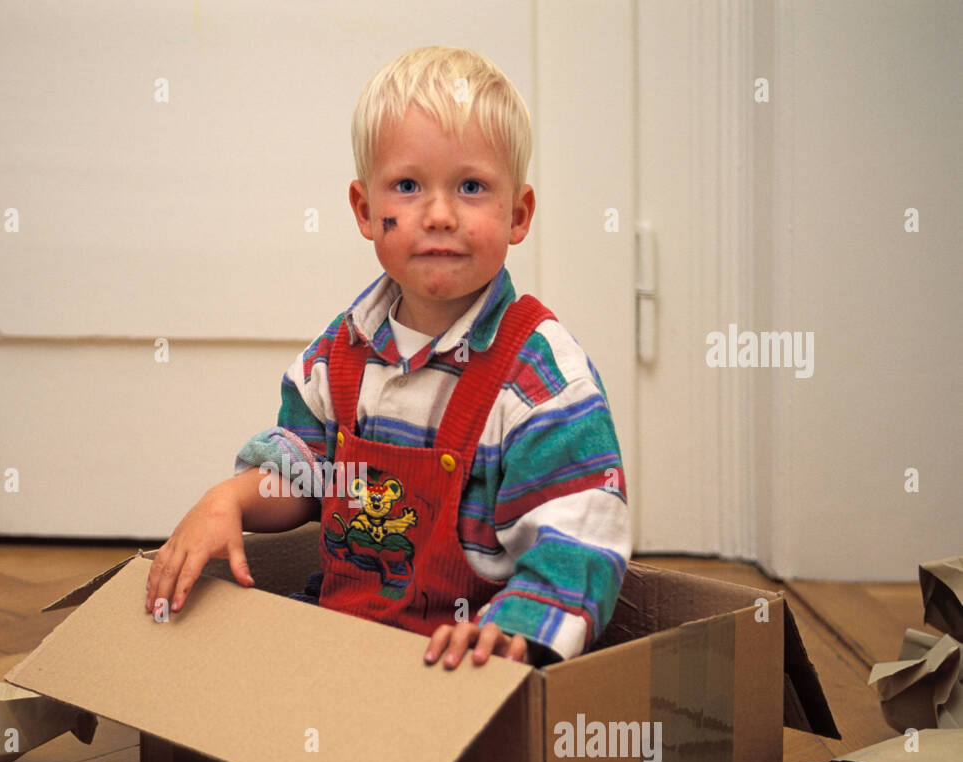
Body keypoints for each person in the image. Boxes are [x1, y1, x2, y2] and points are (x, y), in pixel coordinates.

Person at [144, 46, 630, 669]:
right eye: (407, 186)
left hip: (469, 670)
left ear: (518, 213)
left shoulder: (540, 377)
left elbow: (582, 534)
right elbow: (304, 471)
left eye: (472, 187)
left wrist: (515, 631)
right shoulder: (340, 354)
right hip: (344, 648)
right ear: (365, 211)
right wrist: (230, 499)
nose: (439, 215)